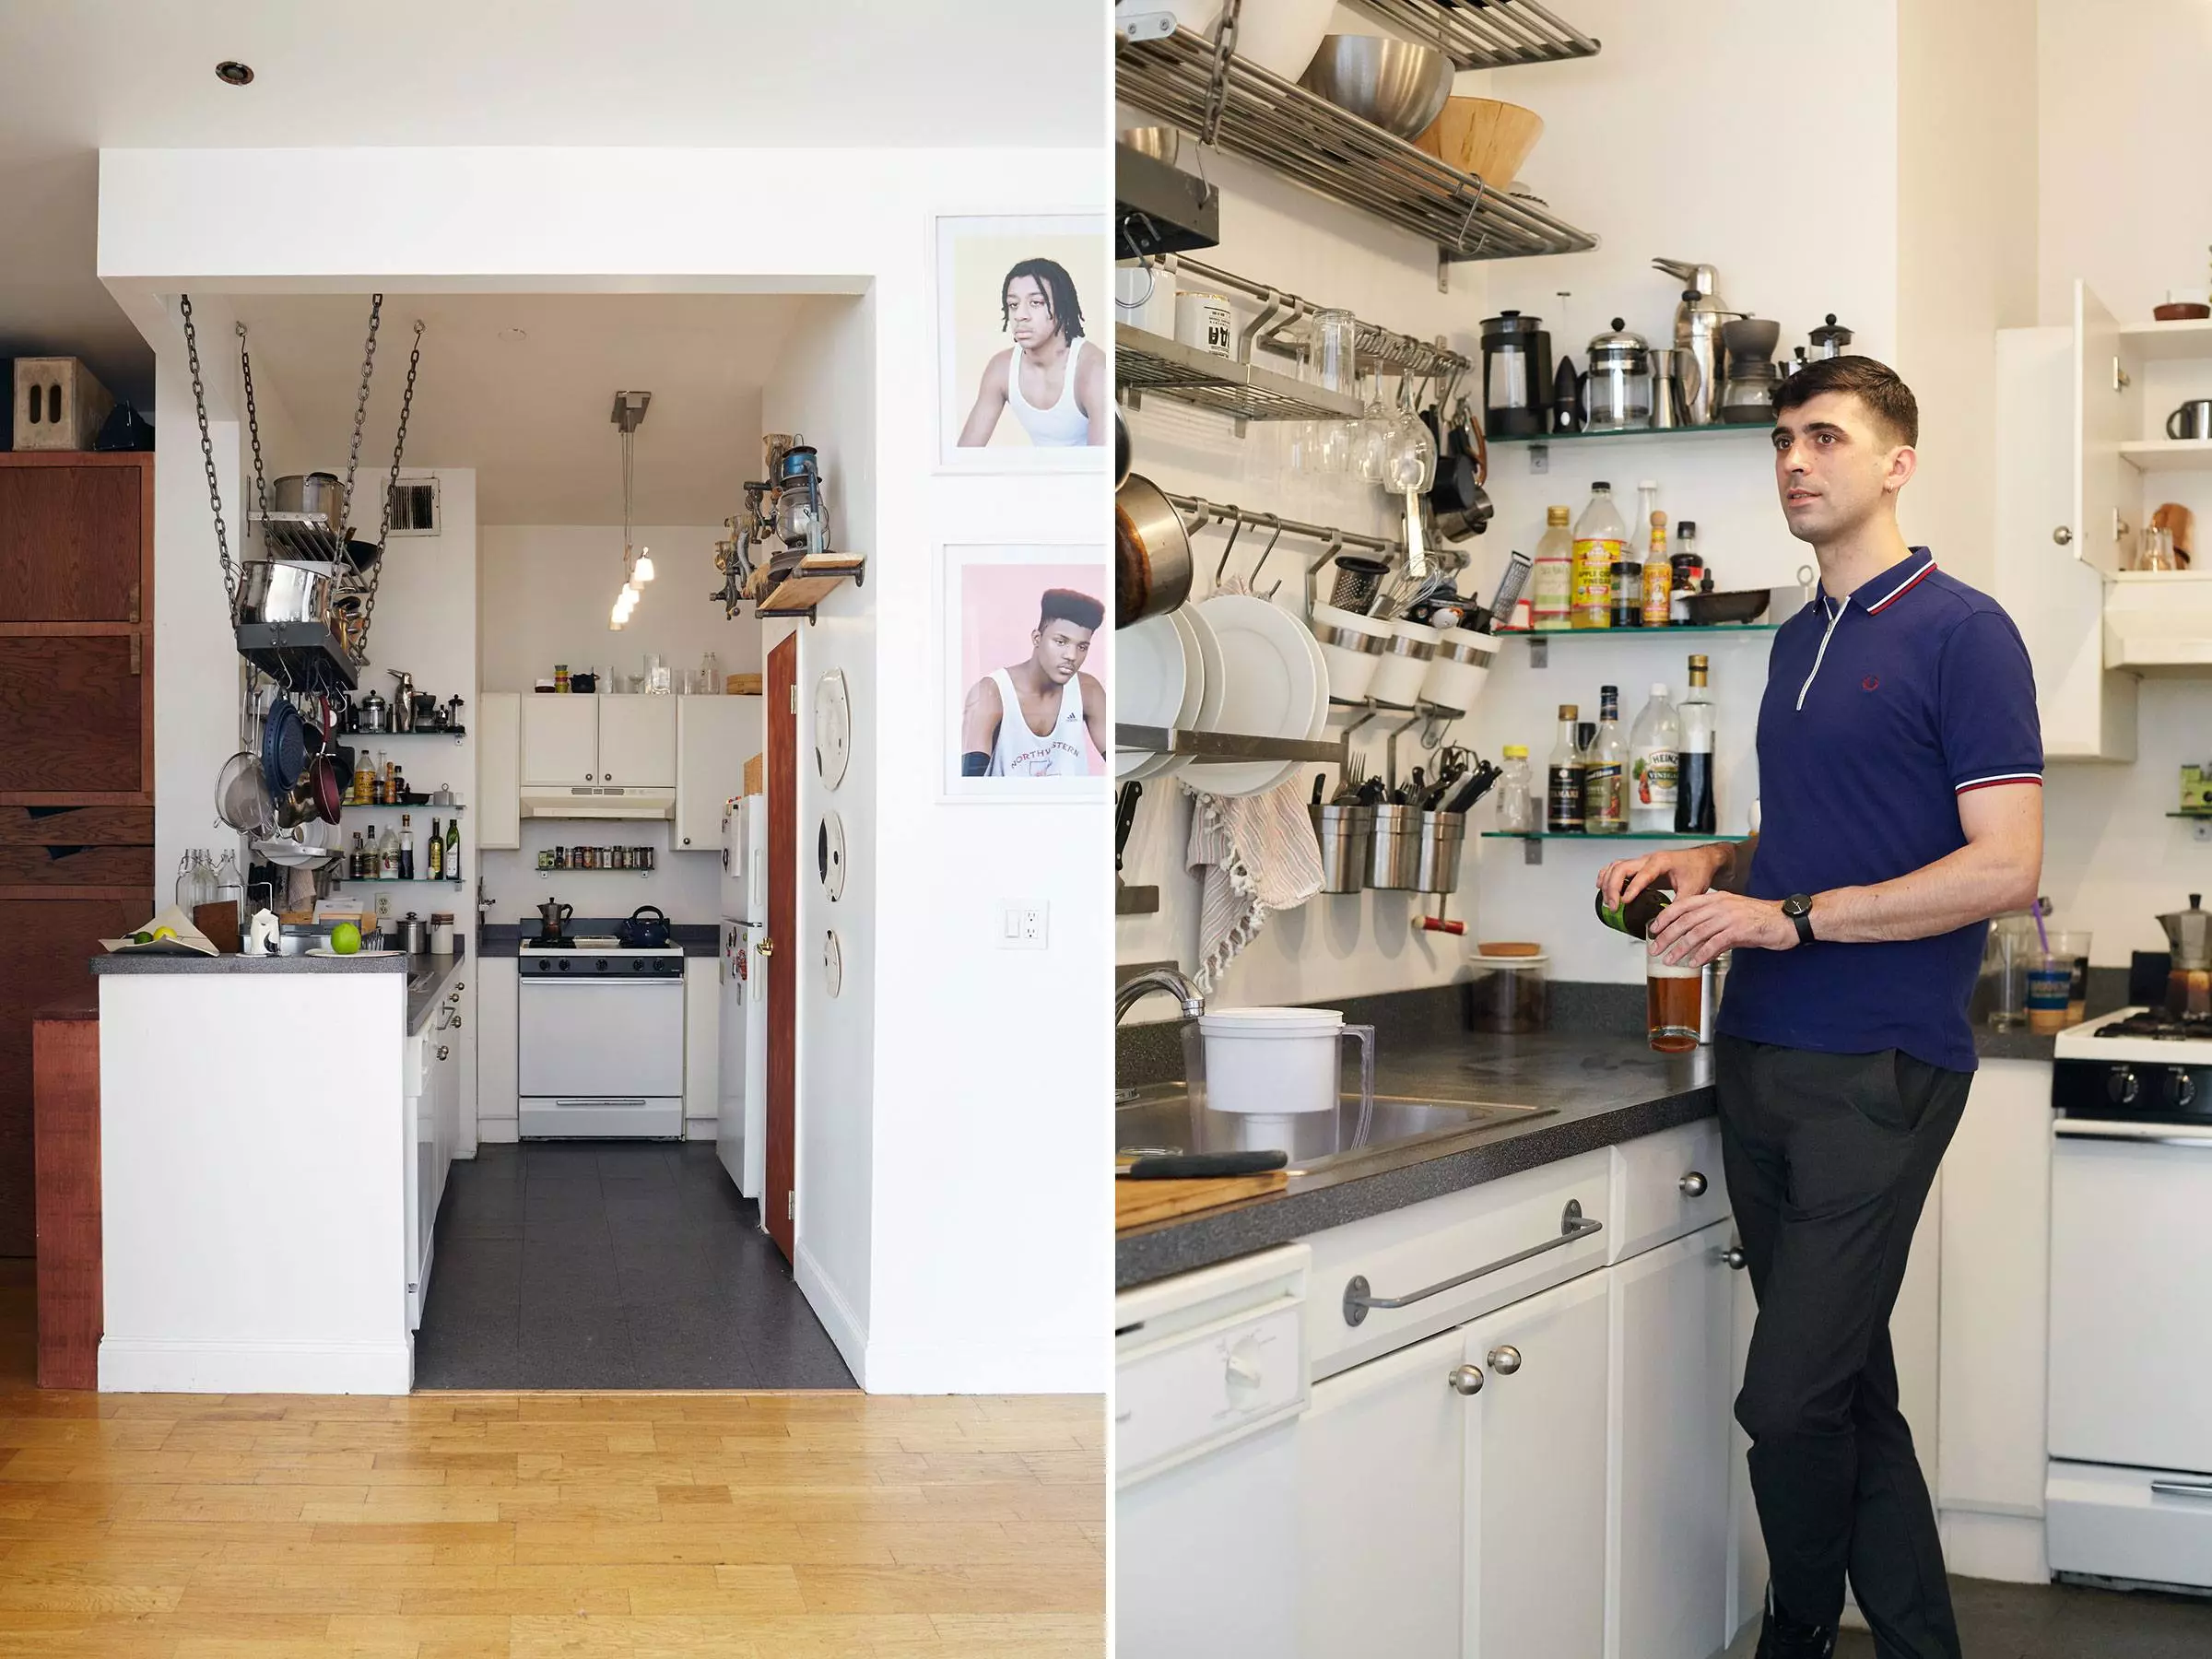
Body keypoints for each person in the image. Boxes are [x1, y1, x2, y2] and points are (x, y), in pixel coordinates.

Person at [1596, 356, 2042, 1659]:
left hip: (1882, 1065)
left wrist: (1782, 918)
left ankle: (1795, 1626)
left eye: (1828, 438)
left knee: (1786, 1403)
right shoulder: (1797, 638)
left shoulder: (1966, 632)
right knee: (1847, 1390)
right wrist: (1716, 867)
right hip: (1762, 1055)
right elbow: (1811, 836)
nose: (1797, 459)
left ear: (1896, 463)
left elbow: (2004, 866)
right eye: (1784, 438)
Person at [957, 257, 1108, 448]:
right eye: (1013, 305)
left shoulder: (1093, 369)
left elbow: (1100, 469)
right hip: (1042, 476)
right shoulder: (1001, 368)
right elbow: (965, 455)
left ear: (1062, 307)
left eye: (1035, 302)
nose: (1020, 315)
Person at [960, 588, 1108, 777]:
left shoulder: (1088, 690)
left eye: (1082, 647)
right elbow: (967, 784)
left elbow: (1118, 758)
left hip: (1072, 807)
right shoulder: (991, 693)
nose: (1072, 656)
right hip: (1007, 807)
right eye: (1061, 642)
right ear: (1037, 638)